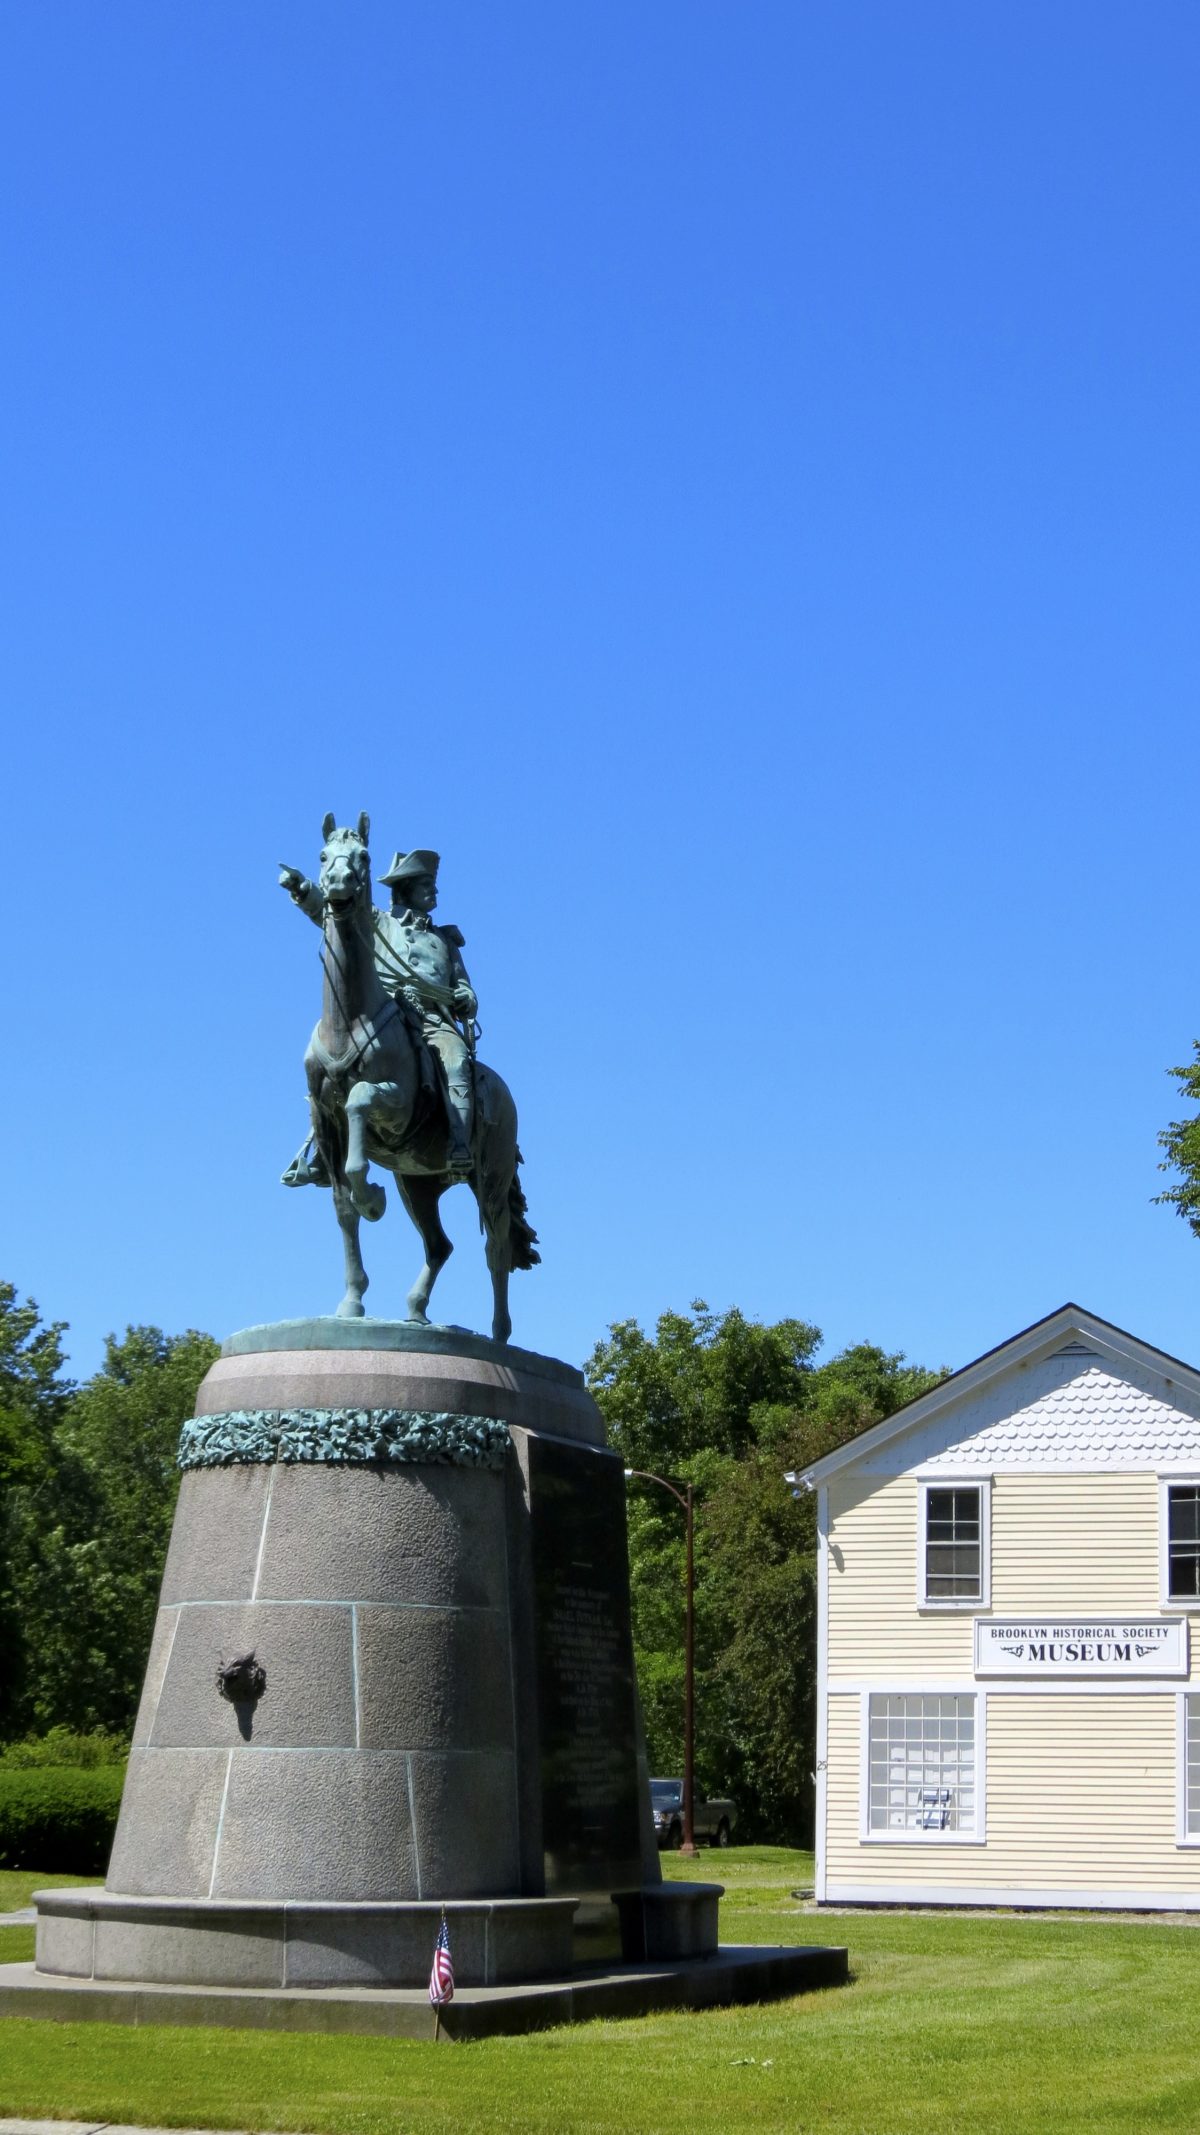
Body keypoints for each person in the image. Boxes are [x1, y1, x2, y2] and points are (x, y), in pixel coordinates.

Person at [278, 844, 478, 1182]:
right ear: (406, 889)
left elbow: (466, 989)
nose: (434, 890)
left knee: (457, 1060)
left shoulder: (445, 940)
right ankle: (323, 1151)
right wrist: (303, 890)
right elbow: (331, 911)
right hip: (389, 1010)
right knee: (326, 1058)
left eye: (432, 883)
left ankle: (459, 1143)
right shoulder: (376, 921)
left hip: (433, 1020)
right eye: (426, 884)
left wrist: (464, 996)